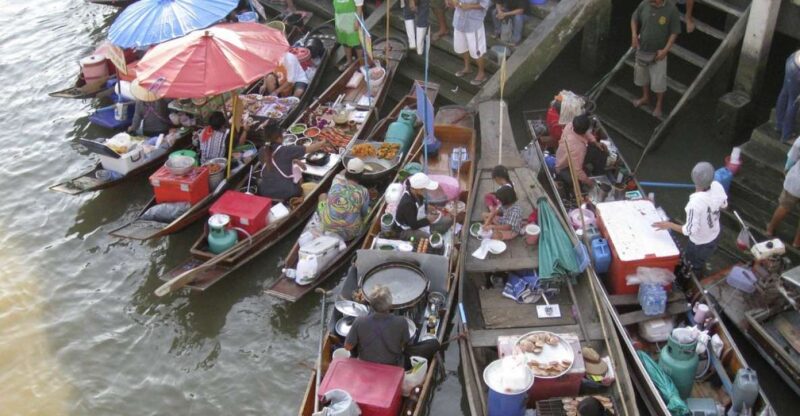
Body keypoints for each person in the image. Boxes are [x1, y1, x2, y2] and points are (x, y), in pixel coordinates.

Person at [653, 162, 728, 277]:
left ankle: (690, 278)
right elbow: (724, 205)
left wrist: (669, 224)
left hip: (700, 242)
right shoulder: (717, 186)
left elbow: (689, 231)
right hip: (715, 232)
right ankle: (695, 270)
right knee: (701, 260)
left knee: (692, 263)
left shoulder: (694, 204)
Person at [631, 0, 680, 118]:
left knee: (659, 82)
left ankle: (659, 105)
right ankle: (645, 97)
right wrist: (633, 35)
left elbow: (674, 32)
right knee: (642, 76)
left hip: (659, 53)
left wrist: (665, 50)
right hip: (643, 48)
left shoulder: (672, 9)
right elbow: (634, 18)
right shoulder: (644, 4)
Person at [257, 123, 329, 201]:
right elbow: (310, 149)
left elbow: (275, 161)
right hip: (286, 192)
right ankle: (300, 195)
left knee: (294, 166)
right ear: (279, 137)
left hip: (265, 192)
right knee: (297, 170)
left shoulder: (261, 151)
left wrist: (295, 160)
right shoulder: (286, 150)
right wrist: (323, 142)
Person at [345, 285, 410, 367]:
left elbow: (348, 347)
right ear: (390, 305)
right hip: (392, 365)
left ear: (371, 304)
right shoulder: (402, 322)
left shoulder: (359, 321)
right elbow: (405, 344)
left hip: (366, 365)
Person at [318, 158, 371, 241]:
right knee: (368, 211)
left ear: (346, 171)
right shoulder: (363, 191)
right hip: (350, 234)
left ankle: (322, 217)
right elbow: (364, 213)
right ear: (362, 174)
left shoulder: (336, 180)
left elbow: (341, 173)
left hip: (326, 227)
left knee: (322, 195)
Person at [555, 114, 607, 191]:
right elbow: (577, 171)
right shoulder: (579, 148)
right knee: (578, 182)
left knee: (597, 150)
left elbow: (586, 133)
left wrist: (595, 142)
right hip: (564, 168)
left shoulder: (569, 126)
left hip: (564, 156)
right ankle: (597, 177)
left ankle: (597, 174)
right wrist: (590, 183)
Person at [394, 172, 453, 239]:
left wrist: (428, 207)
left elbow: (421, 206)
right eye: (425, 188)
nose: (427, 190)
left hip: (419, 218)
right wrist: (428, 220)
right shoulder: (408, 203)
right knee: (430, 238)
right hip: (406, 229)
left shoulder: (418, 194)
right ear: (417, 189)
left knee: (448, 220)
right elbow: (414, 225)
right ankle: (432, 232)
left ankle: (433, 230)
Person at [767, 137, 800, 246]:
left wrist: (787, 168)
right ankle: (797, 242)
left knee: (784, 206)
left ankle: (770, 229)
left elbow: (793, 155)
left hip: (796, 181)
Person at [453, 0, 492, 85]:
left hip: (474, 23)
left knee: (477, 51)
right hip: (459, 19)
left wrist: (469, 6)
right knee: (462, 47)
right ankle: (467, 68)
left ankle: (482, 74)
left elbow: (486, 4)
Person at [775, 51, 800, 144]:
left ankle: (779, 124)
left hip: (792, 60)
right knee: (794, 102)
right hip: (797, 71)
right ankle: (786, 136)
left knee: (784, 93)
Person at [333, 0, 365, 71]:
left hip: (352, 21)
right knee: (345, 42)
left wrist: (357, 21)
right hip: (341, 21)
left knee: (357, 44)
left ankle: (361, 63)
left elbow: (359, 7)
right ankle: (349, 61)